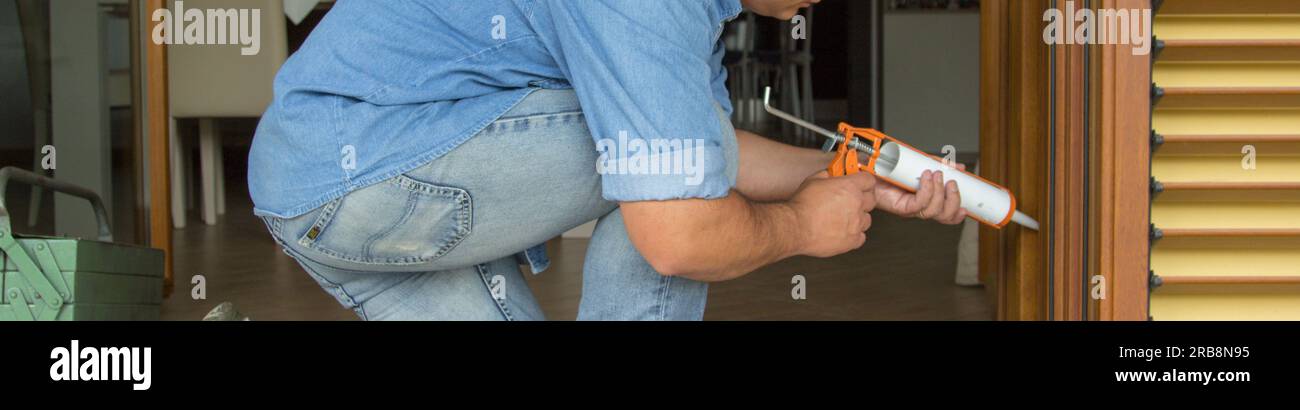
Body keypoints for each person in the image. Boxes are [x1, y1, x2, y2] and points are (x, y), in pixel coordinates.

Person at [248, 0, 967, 321]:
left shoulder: (690, 20)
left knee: (670, 152)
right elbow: (678, 229)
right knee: (670, 180)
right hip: (371, 170)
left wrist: (846, 172)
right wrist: (803, 229)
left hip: (312, 198)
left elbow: (711, 145)